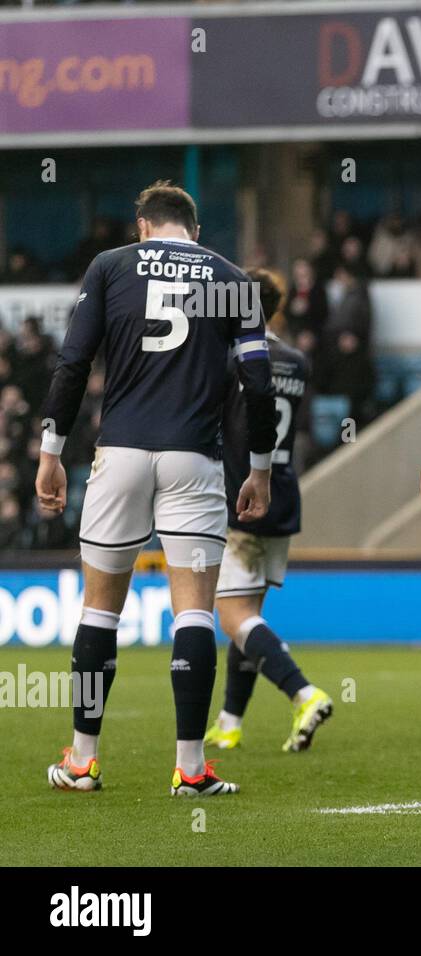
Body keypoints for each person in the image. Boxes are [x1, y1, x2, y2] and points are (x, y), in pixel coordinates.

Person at [38, 181, 276, 796]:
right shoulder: (231, 277)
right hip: (194, 459)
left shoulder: (111, 265)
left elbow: (72, 364)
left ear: (142, 225)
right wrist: (260, 468)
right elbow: (257, 380)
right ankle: (191, 769)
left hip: (118, 453)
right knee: (194, 611)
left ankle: (83, 762)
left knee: (99, 611)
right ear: (194, 231)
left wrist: (51, 452)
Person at [204, 268, 334, 754]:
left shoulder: (231, 358)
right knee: (250, 617)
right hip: (282, 494)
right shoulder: (296, 361)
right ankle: (230, 722)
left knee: (234, 616)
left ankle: (303, 692)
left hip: (241, 496)